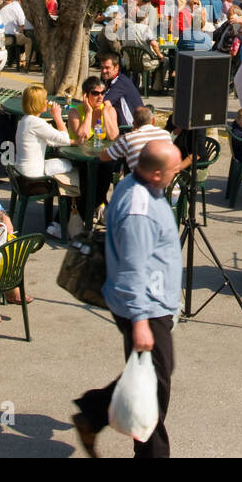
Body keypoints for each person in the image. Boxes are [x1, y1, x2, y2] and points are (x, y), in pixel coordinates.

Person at [72, 140, 183, 458]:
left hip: (152, 304)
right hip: (144, 308)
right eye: (175, 170)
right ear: (158, 173)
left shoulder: (140, 181)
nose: (178, 173)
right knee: (153, 390)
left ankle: (93, 413)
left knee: (151, 376)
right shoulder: (140, 209)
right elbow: (133, 270)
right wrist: (140, 324)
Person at [15, 84, 79, 202]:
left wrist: (74, 142)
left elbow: (51, 141)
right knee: (72, 167)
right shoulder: (36, 123)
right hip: (33, 181)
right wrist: (57, 117)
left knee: (61, 165)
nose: (47, 102)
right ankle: (71, 207)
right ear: (38, 103)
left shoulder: (24, 120)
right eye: (44, 100)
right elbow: (63, 138)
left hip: (21, 175)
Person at [99, 106, 172, 171]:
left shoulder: (128, 138)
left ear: (133, 124)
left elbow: (104, 157)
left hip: (141, 183)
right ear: (153, 121)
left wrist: (106, 149)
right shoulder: (166, 134)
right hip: (166, 183)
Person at [66, 75, 120, 144]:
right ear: (85, 95)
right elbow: (82, 137)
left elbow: (114, 137)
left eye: (102, 93)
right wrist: (89, 112)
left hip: (100, 152)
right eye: (95, 93)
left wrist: (105, 113)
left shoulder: (109, 110)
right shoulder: (74, 113)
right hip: (78, 152)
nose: (100, 97)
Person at [98, 52, 144, 128]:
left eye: (107, 68)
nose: (103, 71)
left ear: (116, 68)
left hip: (130, 128)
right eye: (102, 68)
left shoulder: (120, 82)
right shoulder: (109, 80)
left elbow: (104, 102)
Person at [0, 0, 31, 69]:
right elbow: (22, 24)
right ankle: (29, 62)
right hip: (10, 38)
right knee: (29, 40)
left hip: (2, 36)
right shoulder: (17, 7)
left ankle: (14, 60)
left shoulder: (6, 8)